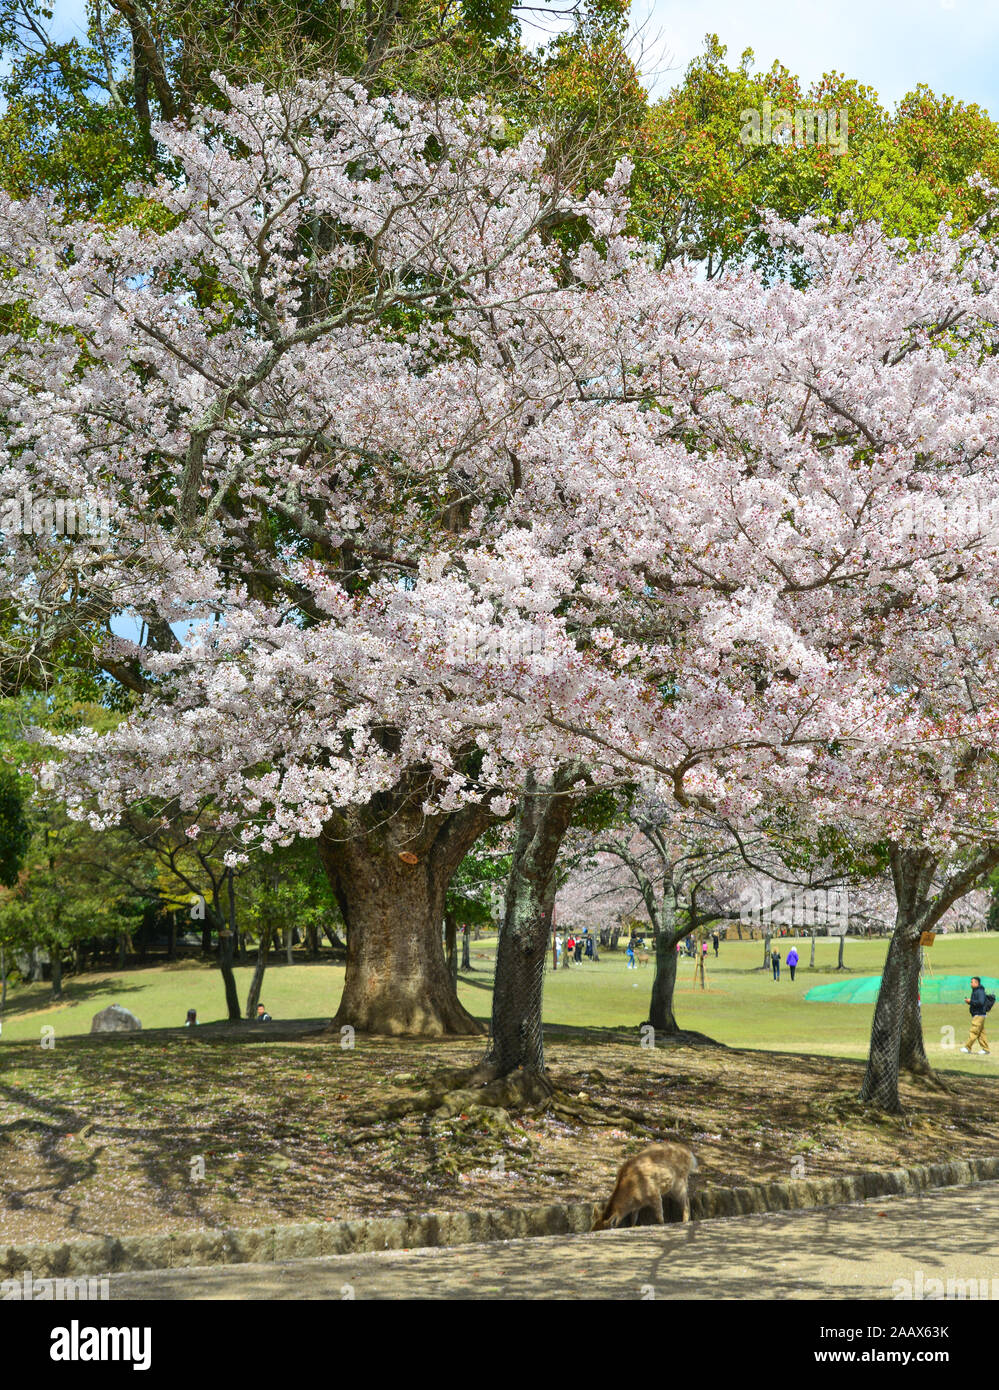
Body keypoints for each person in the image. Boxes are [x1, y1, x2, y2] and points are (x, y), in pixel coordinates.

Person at [961, 977, 992, 1054]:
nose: (970, 984)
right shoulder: (976, 991)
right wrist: (970, 1002)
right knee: (981, 1033)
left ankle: (967, 1048)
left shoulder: (980, 991)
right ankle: (986, 1049)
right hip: (978, 1014)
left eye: (972, 982)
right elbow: (977, 1002)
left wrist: (971, 1001)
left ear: (977, 983)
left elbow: (981, 1002)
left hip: (979, 1014)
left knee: (974, 1031)